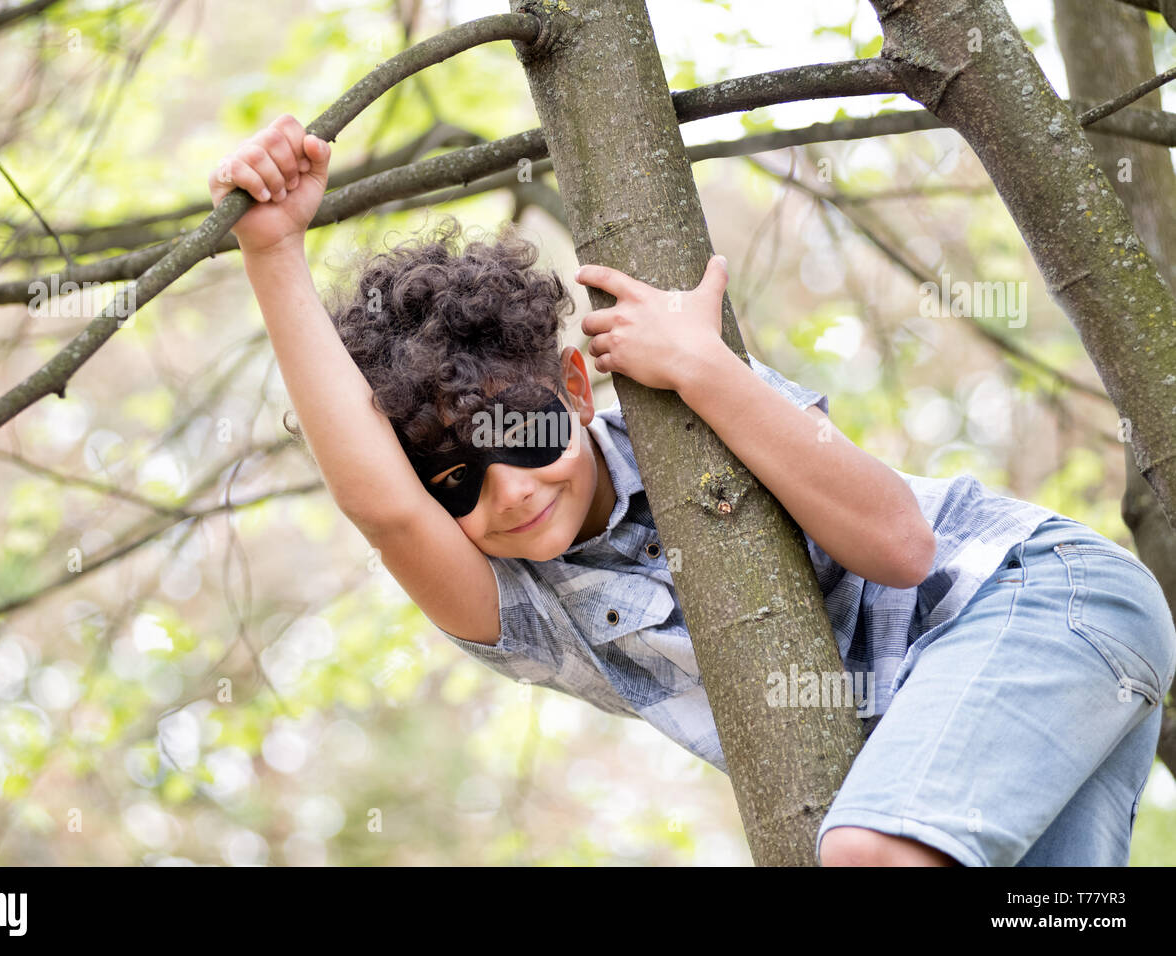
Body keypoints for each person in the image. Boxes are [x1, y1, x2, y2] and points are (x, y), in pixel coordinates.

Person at [210, 113, 1176, 866]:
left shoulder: (678, 421)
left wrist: (707, 370)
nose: (505, 492)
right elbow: (380, 506)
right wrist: (274, 252)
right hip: (1019, 694)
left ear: (575, 388)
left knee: (867, 853)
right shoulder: (527, 615)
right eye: (454, 482)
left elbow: (902, 546)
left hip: (1034, 596)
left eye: (526, 432)